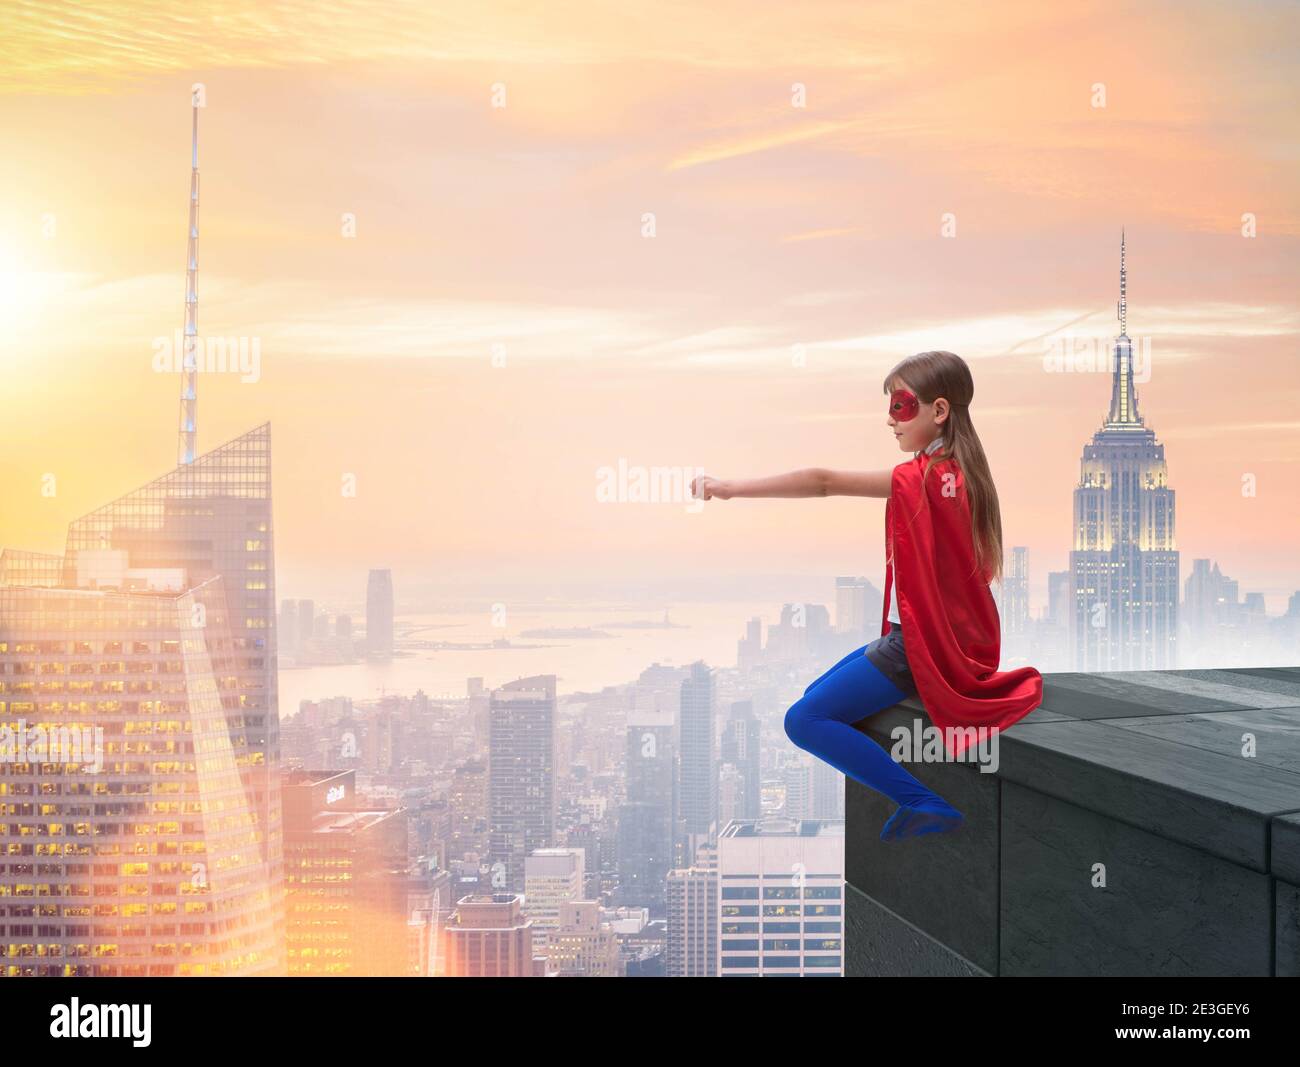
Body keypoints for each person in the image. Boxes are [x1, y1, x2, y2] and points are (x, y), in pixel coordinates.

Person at [690, 350, 1042, 842]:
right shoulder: (955, 475)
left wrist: (729, 488)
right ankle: (920, 798)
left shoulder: (924, 478)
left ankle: (923, 802)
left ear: (938, 411)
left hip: (915, 650)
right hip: (925, 643)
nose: (890, 420)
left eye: (900, 405)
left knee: (804, 720)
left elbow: (823, 482)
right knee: (816, 697)